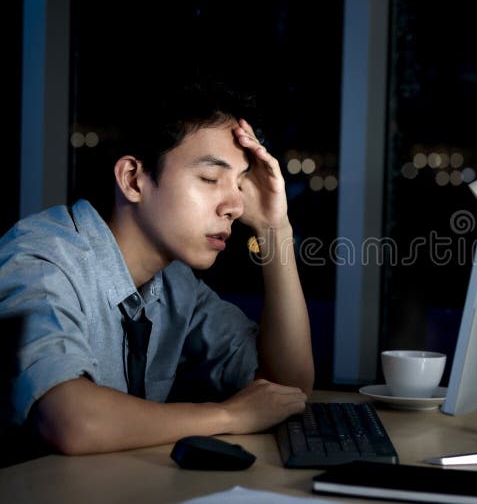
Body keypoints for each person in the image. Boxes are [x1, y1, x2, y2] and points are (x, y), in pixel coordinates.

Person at [0, 81, 314, 459]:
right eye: (211, 179)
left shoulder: (174, 283)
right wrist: (229, 415)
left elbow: (286, 390)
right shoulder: (40, 260)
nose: (234, 206)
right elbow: (70, 422)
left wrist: (275, 229)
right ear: (133, 179)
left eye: (240, 184)